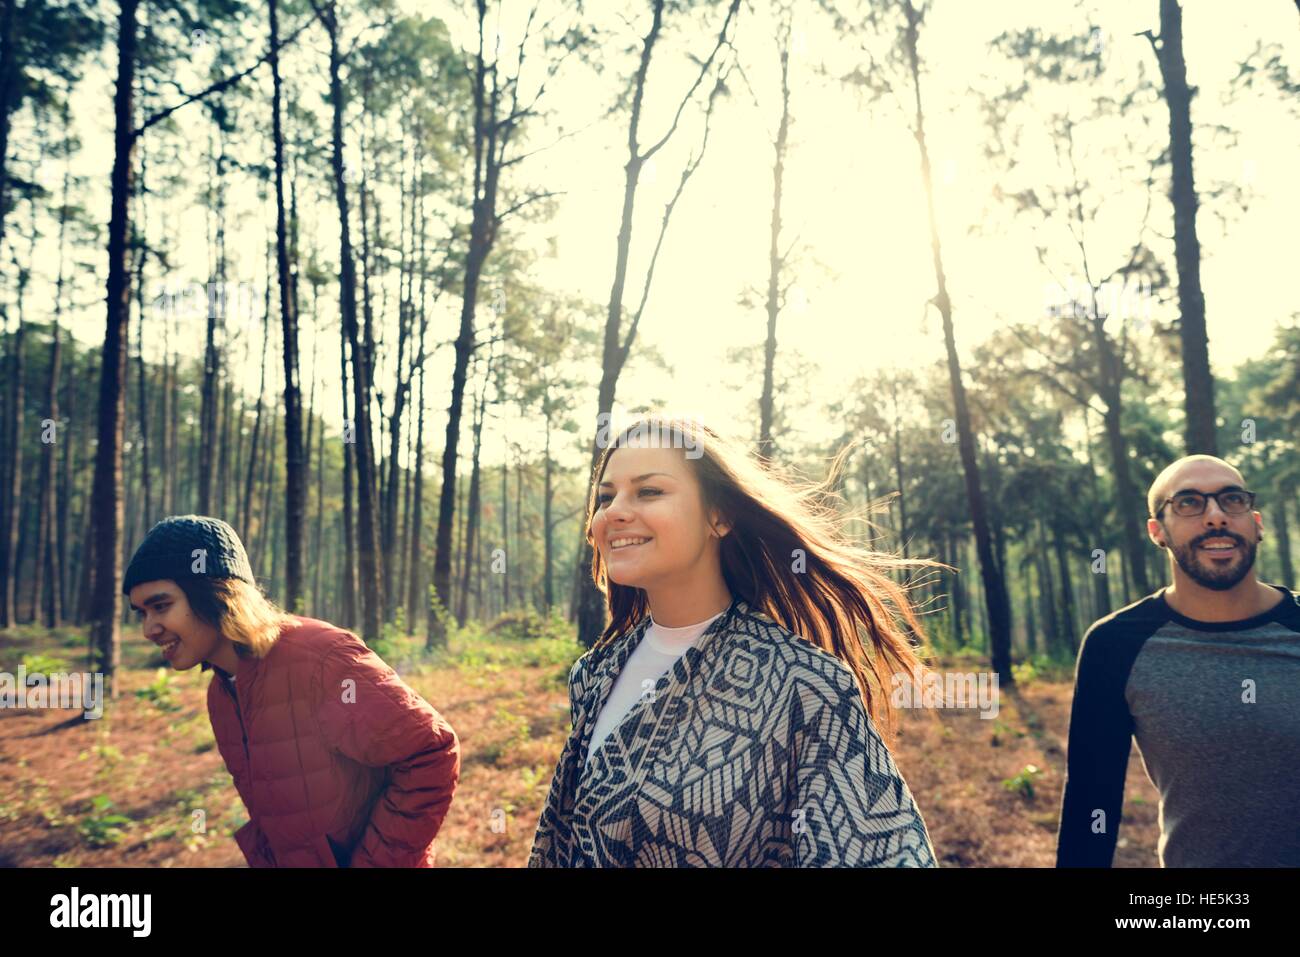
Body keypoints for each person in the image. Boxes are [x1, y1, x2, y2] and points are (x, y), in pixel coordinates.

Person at [529, 416, 938, 867]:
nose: (614, 511)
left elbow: (882, 852)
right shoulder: (594, 674)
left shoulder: (805, 685)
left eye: (648, 491)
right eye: (606, 497)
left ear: (719, 516)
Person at [123, 515, 460, 867]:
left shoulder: (319, 658)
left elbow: (431, 752)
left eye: (161, 606)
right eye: (141, 613)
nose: (149, 629)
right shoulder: (221, 695)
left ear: (216, 593)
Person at [1056, 454, 1300, 867]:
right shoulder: (1114, 645)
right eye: (1189, 503)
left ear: (1256, 524)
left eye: (1232, 499)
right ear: (1158, 531)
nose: (1216, 517)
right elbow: (1090, 805)